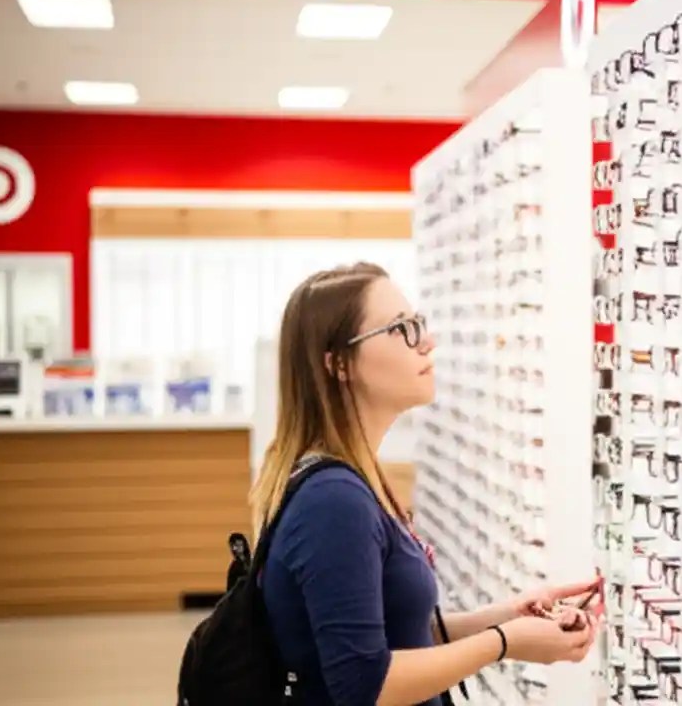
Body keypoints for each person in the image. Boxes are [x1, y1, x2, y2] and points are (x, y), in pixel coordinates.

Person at [251, 263, 599, 706]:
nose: (427, 341)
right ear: (338, 363)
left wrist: (508, 615)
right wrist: (504, 641)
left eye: (418, 323)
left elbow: (396, 634)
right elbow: (365, 684)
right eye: (401, 328)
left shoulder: (353, 482)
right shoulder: (334, 502)